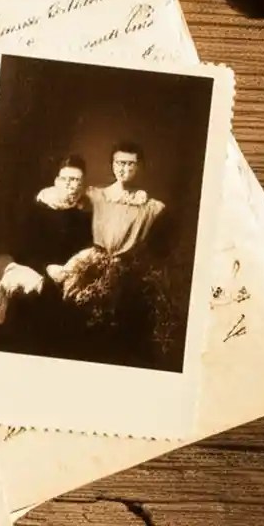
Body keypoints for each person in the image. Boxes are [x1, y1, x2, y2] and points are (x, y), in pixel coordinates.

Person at [60, 141, 177, 367]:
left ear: (140, 167)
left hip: (125, 272)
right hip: (91, 266)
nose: (124, 169)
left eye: (130, 164)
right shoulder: (95, 195)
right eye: (119, 163)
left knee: (117, 332)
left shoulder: (151, 206)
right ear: (112, 165)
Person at [0, 155, 95, 354]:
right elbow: (21, 251)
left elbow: (84, 247)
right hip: (39, 272)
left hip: (69, 276)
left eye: (76, 181)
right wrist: (47, 268)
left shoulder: (84, 212)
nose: (71, 186)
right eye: (66, 180)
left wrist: (75, 267)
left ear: (83, 184)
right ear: (57, 181)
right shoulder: (39, 208)